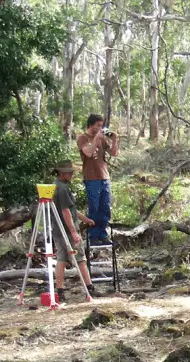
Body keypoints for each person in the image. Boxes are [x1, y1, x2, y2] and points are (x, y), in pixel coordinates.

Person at [50, 160, 97, 301]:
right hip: (66, 231)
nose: (71, 175)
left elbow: (71, 209)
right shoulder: (62, 188)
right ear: (62, 173)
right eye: (69, 173)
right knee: (81, 259)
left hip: (57, 230)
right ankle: (89, 288)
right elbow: (65, 211)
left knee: (61, 259)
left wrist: (85, 219)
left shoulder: (54, 186)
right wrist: (74, 232)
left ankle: (60, 291)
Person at [77, 113, 120, 246]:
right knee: (94, 207)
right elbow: (88, 153)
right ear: (91, 125)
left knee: (105, 207)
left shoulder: (102, 139)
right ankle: (93, 235)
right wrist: (96, 139)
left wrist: (114, 140)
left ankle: (103, 234)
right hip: (91, 178)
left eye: (102, 126)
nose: (100, 128)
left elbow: (114, 153)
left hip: (104, 177)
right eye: (98, 125)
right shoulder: (83, 138)